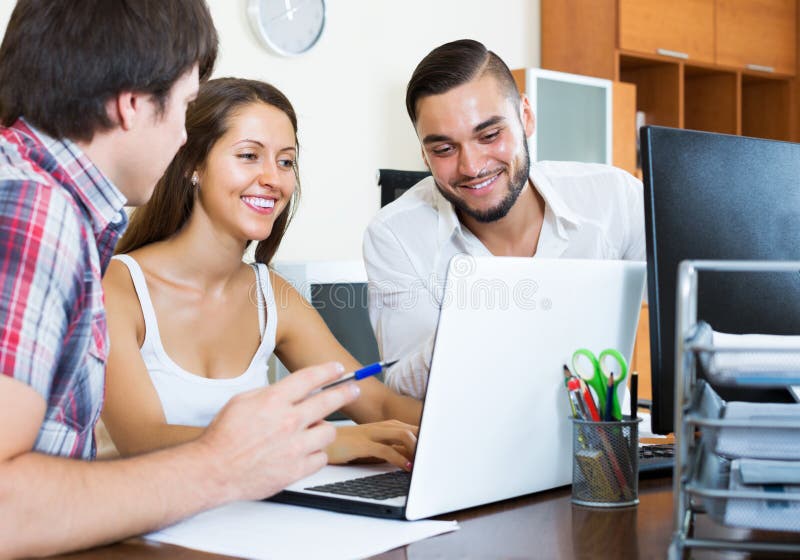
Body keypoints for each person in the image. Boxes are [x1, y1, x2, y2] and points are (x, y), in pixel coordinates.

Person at [0, 2, 359, 557]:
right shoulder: (33, 210)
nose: (181, 137)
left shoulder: (47, 202)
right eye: (186, 106)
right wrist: (222, 464)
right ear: (133, 105)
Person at [101, 77, 421, 469]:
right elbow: (143, 440)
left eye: (285, 161)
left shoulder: (272, 296)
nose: (273, 178)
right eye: (249, 155)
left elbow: (378, 404)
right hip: (137, 507)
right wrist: (317, 441)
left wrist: (475, 430)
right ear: (192, 164)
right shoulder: (116, 287)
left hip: (245, 505)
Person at [364, 39, 646, 399]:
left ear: (526, 117)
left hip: (596, 432)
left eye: (489, 135)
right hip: (473, 431)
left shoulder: (613, 197)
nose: (472, 167)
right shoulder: (393, 234)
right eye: (444, 149)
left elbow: (690, 314)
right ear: (424, 153)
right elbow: (402, 387)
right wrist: (472, 321)